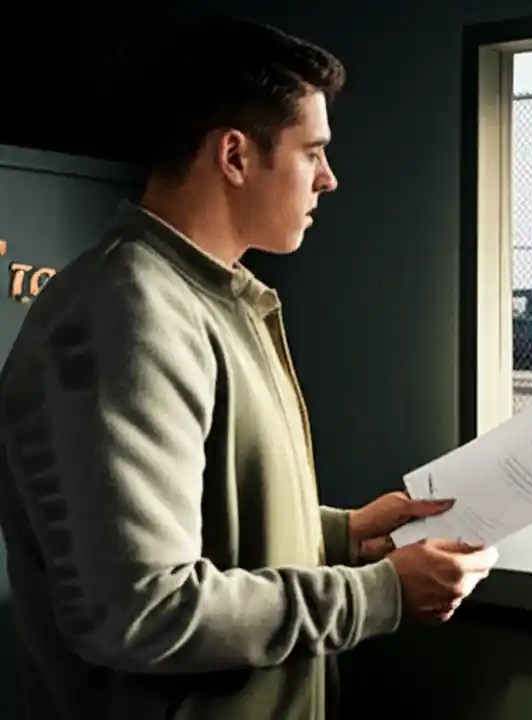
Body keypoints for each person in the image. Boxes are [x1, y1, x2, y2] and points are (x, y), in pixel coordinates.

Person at [0, 16, 497, 720]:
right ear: (234, 156)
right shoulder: (129, 314)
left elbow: (203, 520)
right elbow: (144, 609)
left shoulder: (210, 296)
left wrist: (343, 534)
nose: (330, 179)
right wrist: (380, 594)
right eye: (312, 152)